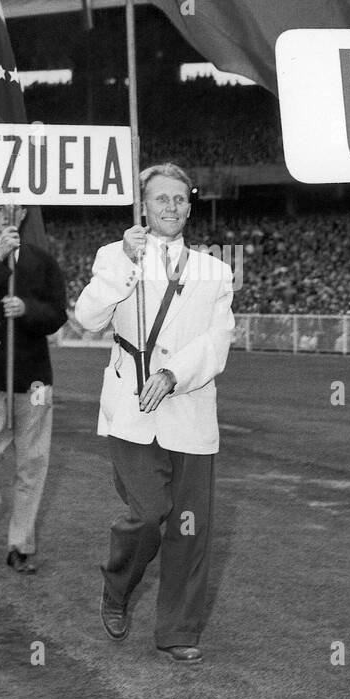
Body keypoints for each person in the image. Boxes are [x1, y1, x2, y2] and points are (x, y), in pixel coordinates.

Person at [74, 163, 235, 664]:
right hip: (130, 408)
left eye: (180, 198)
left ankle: (178, 631)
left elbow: (218, 340)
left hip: (188, 408)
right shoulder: (114, 255)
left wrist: (173, 375)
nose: (172, 207)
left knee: (189, 525)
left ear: (190, 203)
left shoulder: (216, 270)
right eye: (161, 199)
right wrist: (126, 260)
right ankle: (117, 586)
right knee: (147, 514)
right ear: (143, 205)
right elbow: (88, 318)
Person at [0, 206, 68, 573]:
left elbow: (57, 314)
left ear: (22, 213)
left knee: (32, 463)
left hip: (34, 379)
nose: (7, 213)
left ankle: (21, 545)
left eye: (14, 207)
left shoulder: (41, 259)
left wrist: (27, 309)